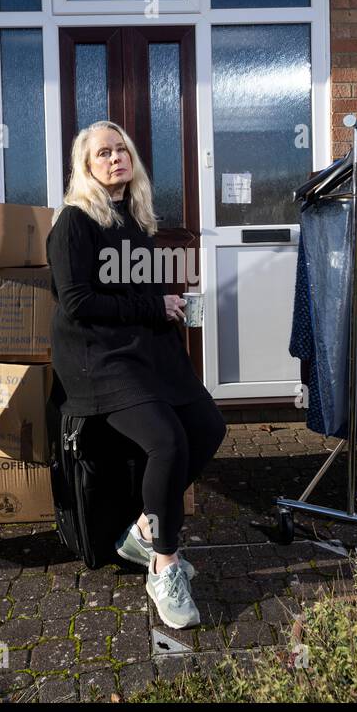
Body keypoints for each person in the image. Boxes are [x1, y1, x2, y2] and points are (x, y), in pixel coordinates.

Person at [46, 120, 227, 630]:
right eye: (102, 153)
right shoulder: (74, 223)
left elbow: (136, 292)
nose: (114, 158)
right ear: (85, 167)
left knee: (208, 428)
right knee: (167, 442)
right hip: (97, 360)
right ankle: (164, 564)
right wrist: (153, 305)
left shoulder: (136, 222)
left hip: (145, 351)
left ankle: (144, 529)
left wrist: (168, 307)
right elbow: (78, 302)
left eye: (121, 149)